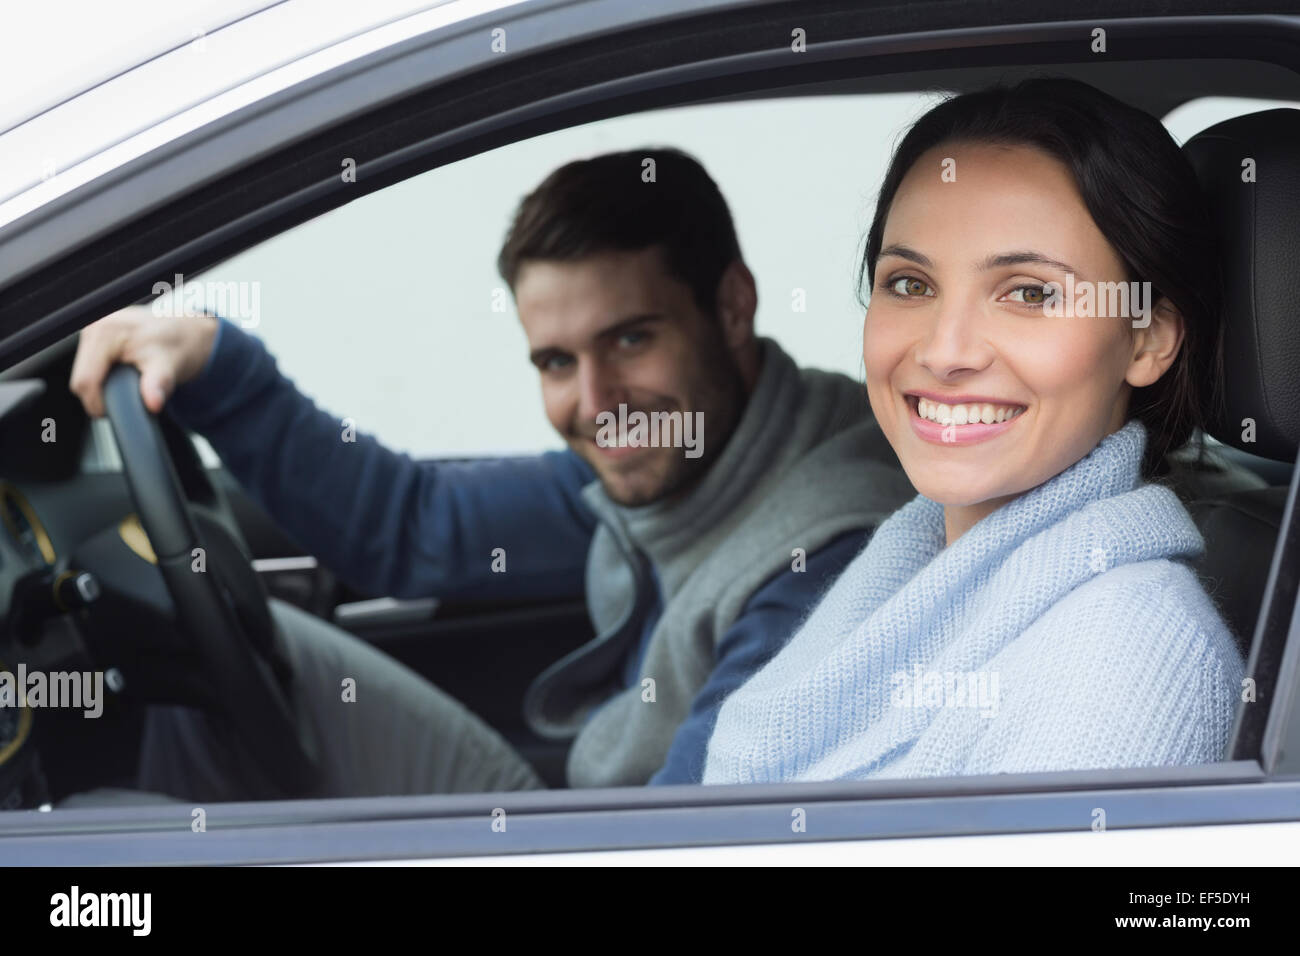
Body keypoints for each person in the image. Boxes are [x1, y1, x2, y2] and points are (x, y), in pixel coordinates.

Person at [69, 148, 916, 798]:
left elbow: (695, 841)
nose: (596, 403)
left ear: (732, 306)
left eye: (630, 339)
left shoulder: (824, 557)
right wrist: (220, 367)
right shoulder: (681, 458)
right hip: (604, 818)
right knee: (214, 648)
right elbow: (415, 528)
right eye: (555, 361)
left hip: (633, 845)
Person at [702, 79, 1245, 785]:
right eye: (911, 285)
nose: (944, 350)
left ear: (1147, 339)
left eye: (1028, 293)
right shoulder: (908, 572)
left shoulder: (1130, 656)